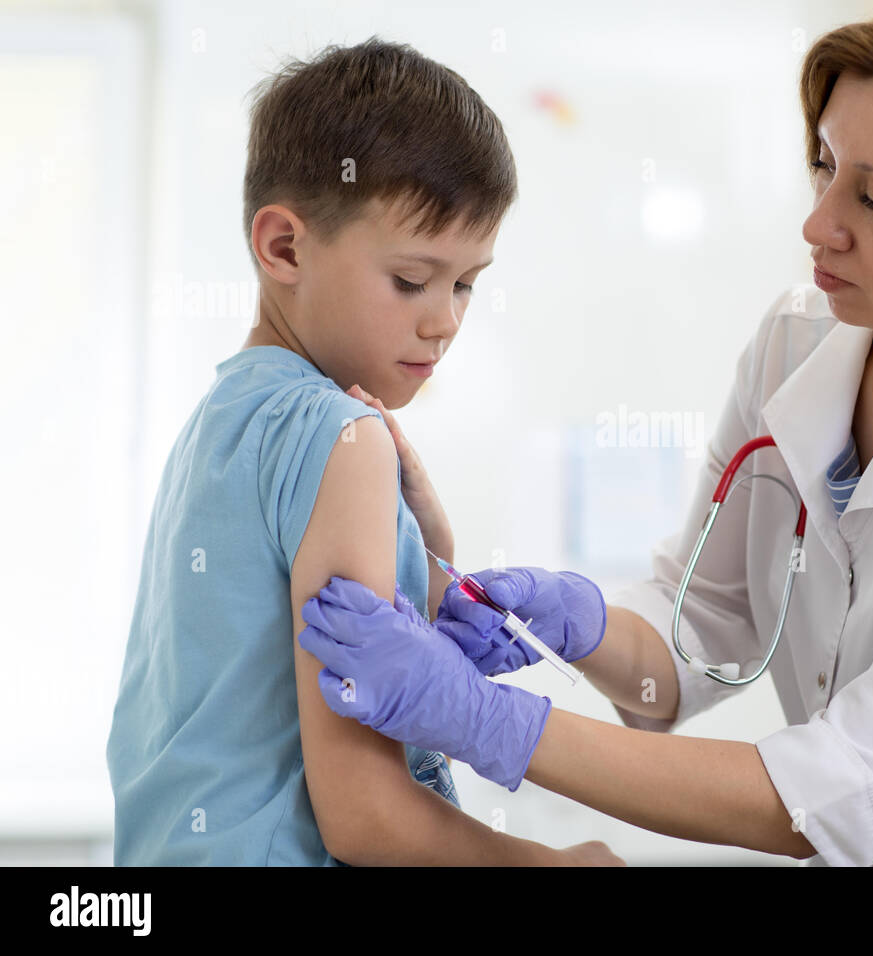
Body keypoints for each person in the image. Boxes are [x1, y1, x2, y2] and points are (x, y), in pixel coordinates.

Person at [299, 0, 873, 866]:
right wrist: (575, 627)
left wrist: (482, 722)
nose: (818, 224)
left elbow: (824, 797)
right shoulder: (799, 340)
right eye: (825, 164)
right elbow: (704, 628)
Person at [106, 36, 621, 866]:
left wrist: (431, 553)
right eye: (413, 280)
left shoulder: (219, 418)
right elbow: (367, 818)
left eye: (465, 284)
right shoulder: (341, 436)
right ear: (284, 249)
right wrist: (552, 864)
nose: (445, 319)